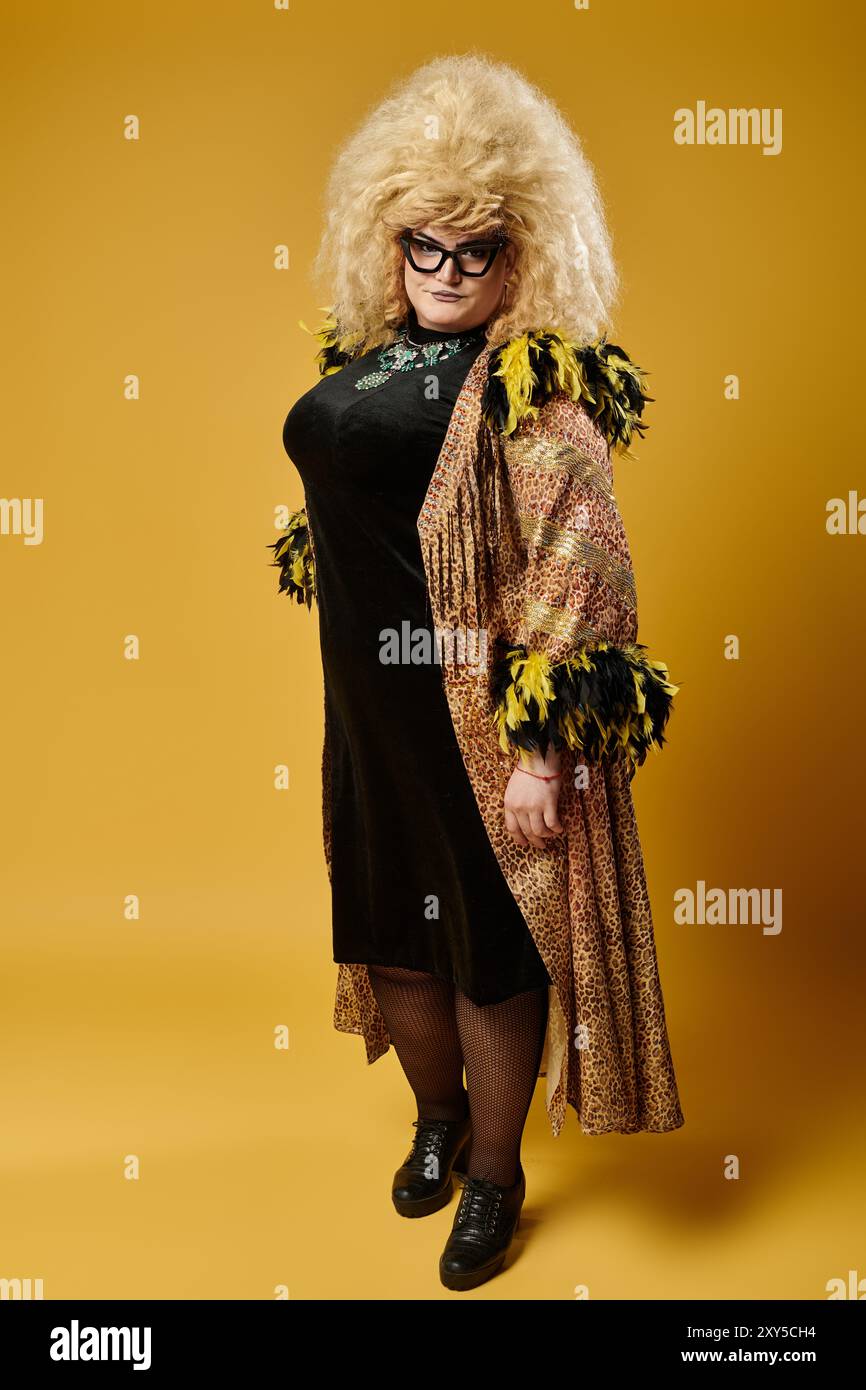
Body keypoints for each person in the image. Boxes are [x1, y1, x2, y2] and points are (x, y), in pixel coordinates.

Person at [269, 52, 684, 1293]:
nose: (447, 275)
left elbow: (577, 570)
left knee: (490, 948)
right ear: (384, 238)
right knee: (394, 933)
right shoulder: (369, 350)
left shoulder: (537, 388)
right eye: (423, 247)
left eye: (478, 251)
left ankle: (493, 1176)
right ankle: (434, 1121)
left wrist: (541, 752)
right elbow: (348, 495)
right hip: (368, 704)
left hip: (474, 717)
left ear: (528, 254)